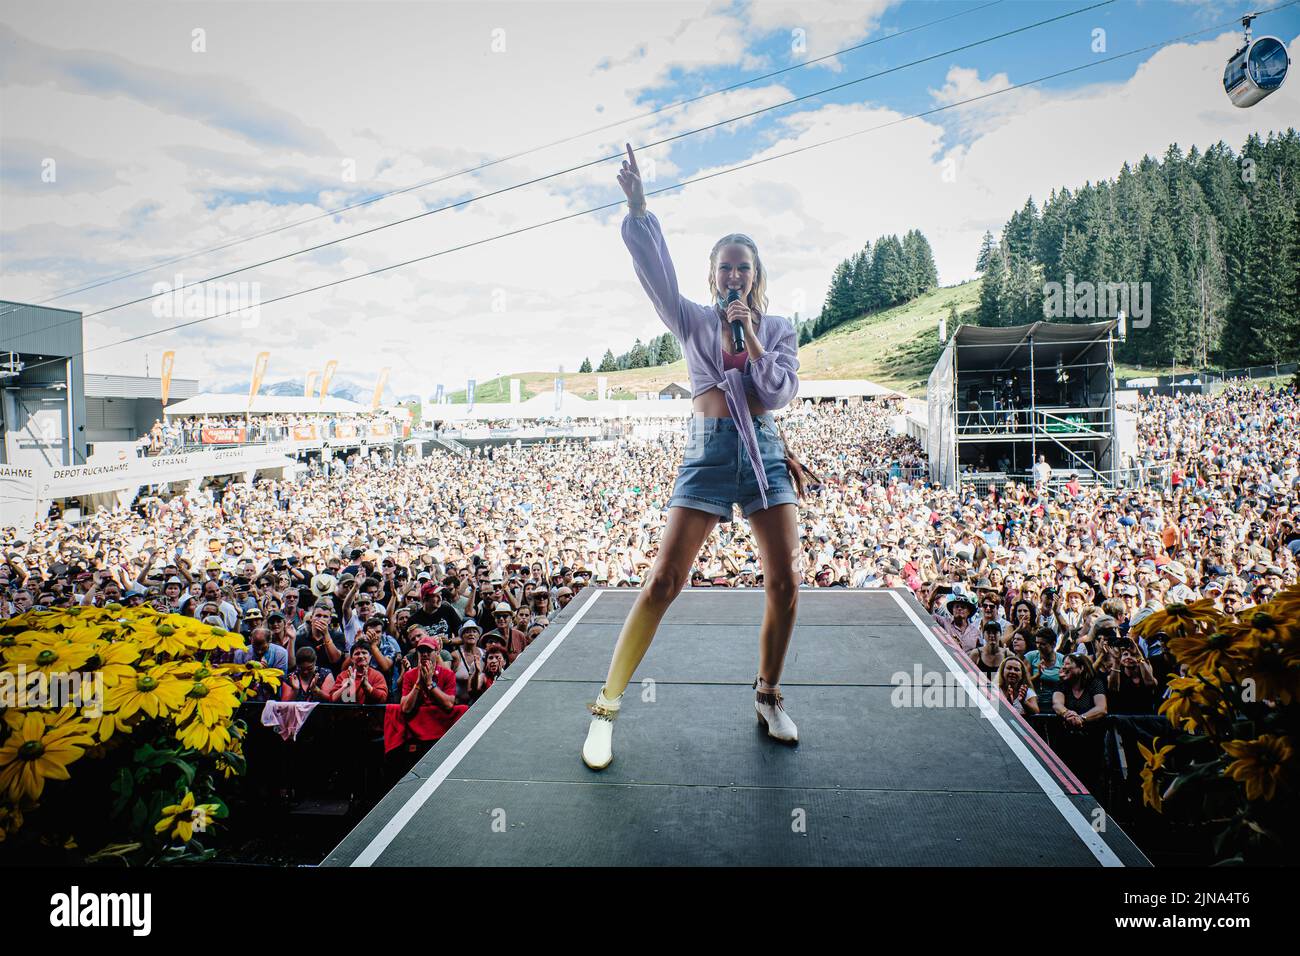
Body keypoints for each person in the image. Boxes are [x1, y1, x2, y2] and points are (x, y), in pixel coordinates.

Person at [582, 143, 820, 772]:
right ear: (711, 274)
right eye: (724, 268)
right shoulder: (687, 319)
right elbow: (654, 272)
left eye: (743, 268)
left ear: (755, 276)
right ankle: (605, 710)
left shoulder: (778, 329)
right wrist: (639, 208)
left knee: (786, 584)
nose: (733, 276)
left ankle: (768, 696)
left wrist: (751, 338)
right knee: (663, 581)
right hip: (709, 454)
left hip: (765, 452)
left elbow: (778, 393)